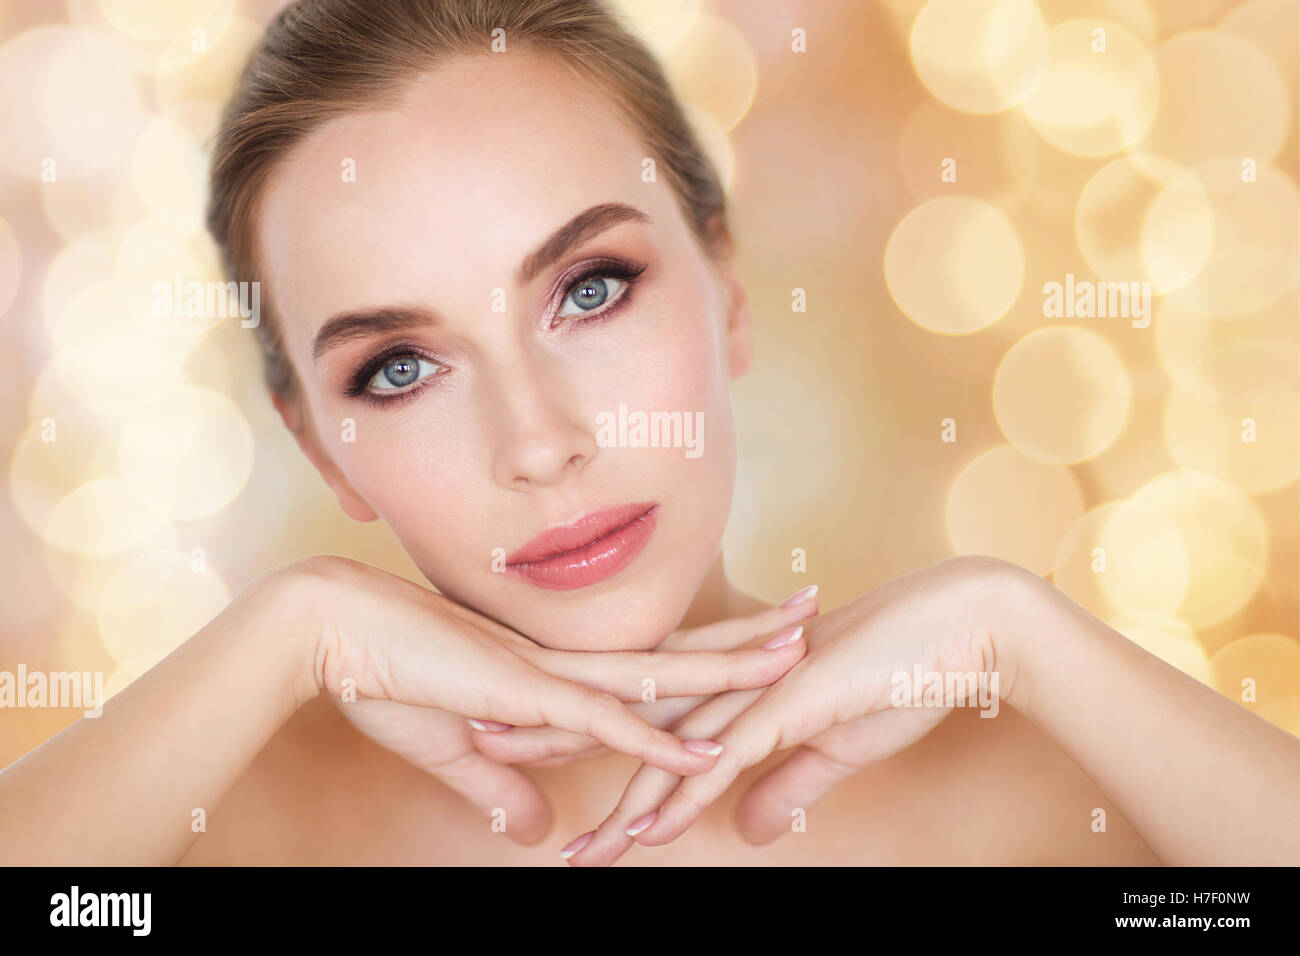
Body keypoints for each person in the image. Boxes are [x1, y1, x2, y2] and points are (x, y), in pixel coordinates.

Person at [3, 0, 1296, 867]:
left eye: (590, 289)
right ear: (319, 446)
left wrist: (1025, 631)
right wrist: (288, 632)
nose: (542, 442)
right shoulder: (230, 826)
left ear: (726, 286)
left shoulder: (1039, 800)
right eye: (399, 367)